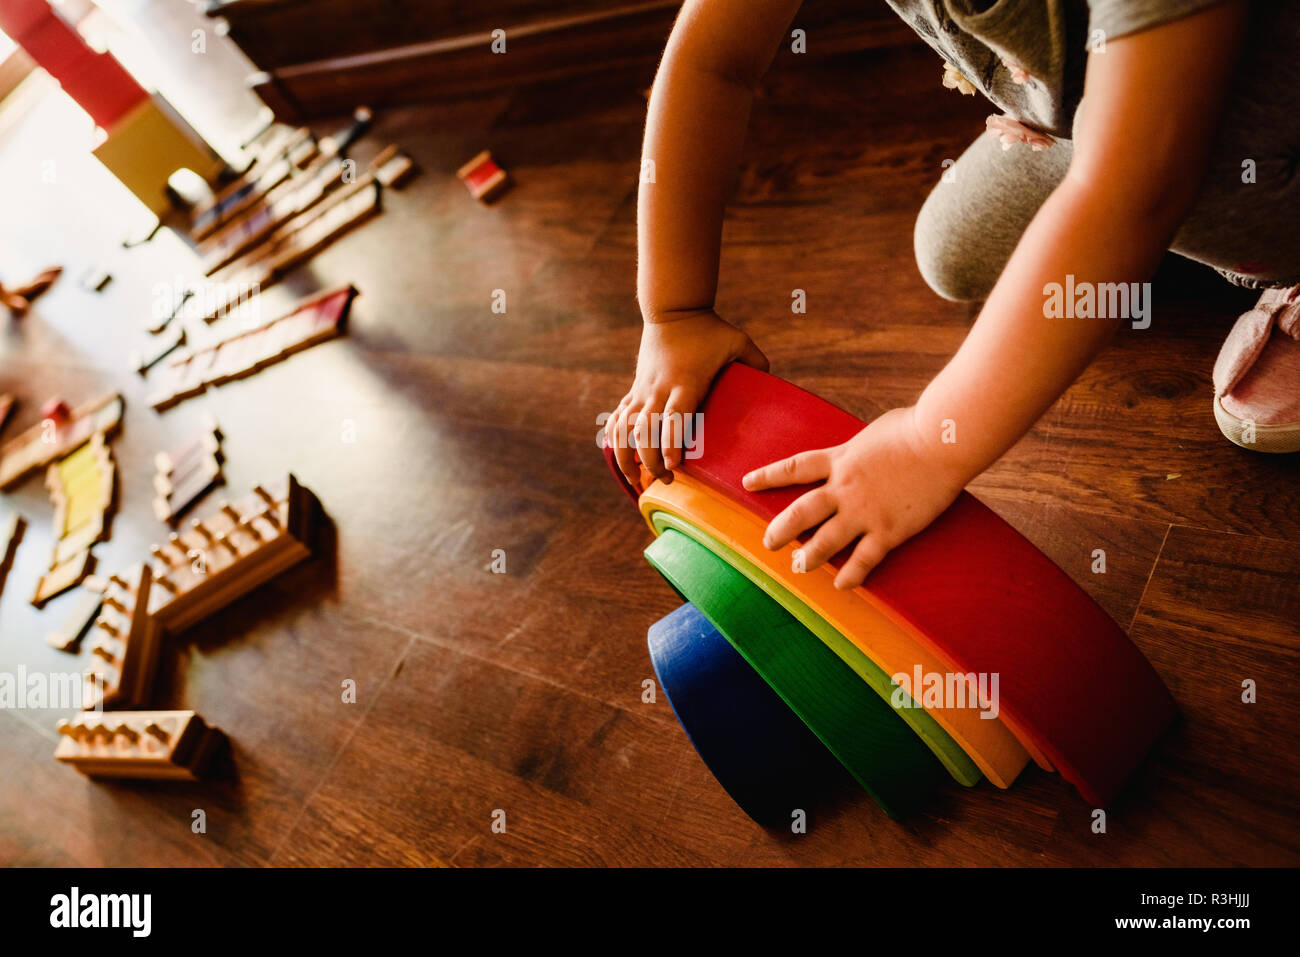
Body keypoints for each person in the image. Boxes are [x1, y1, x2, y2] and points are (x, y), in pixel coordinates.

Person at [606, 0, 1298, 591]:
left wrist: (925, 444)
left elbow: (1141, 185)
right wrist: (674, 312)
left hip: (1239, 124)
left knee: (1147, 195)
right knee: (951, 250)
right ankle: (1123, 159)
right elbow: (713, 63)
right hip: (1124, 117)